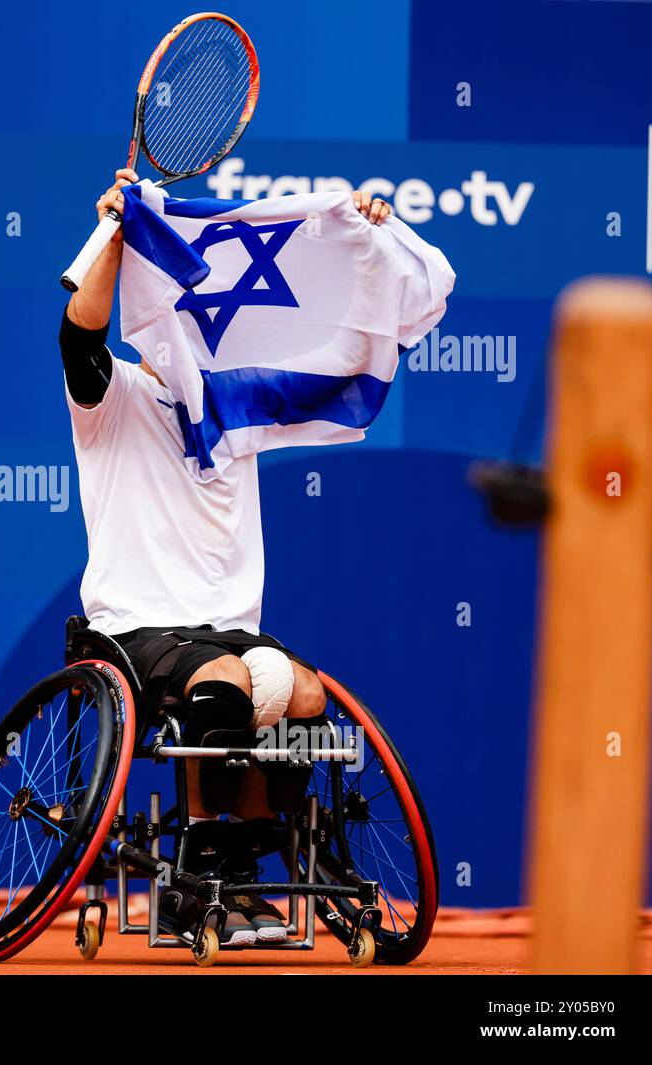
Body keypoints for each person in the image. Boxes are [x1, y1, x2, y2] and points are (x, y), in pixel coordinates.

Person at [59, 168, 393, 944]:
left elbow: (344, 359)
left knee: (303, 694)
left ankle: (248, 854)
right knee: (226, 680)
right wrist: (115, 231)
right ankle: (199, 866)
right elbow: (81, 330)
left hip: (231, 629)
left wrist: (367, 248)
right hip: (135, 629)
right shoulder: (111, 404)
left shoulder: (240, 410)